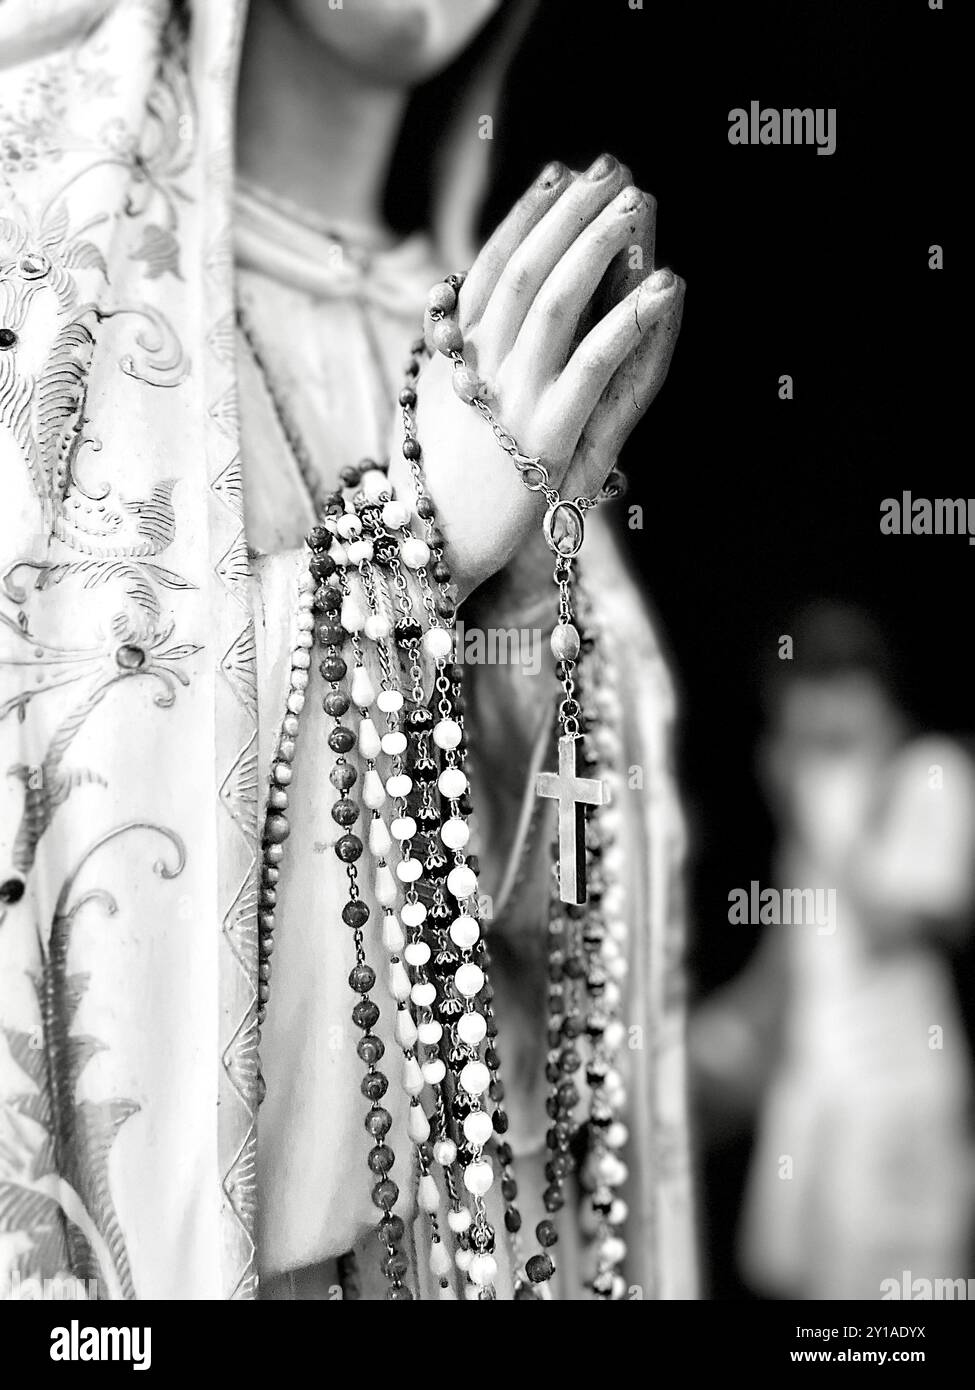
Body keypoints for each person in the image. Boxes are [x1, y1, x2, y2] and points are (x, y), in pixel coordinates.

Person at [0, 0, 695, 1300]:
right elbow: (53, 767)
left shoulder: (502, 332)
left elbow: (574, 956)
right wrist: (413, 545)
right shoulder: (42, 257)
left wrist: (524, 622)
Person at [693, 604, 975, 1299]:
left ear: (854, 689)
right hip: (816, 1087)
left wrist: (815, 813)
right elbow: (795, 951)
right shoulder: (818, 790)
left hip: (897, 1091)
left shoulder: (928, 773)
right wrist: (718, 1031)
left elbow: (893, 925)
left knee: (894, 1296)